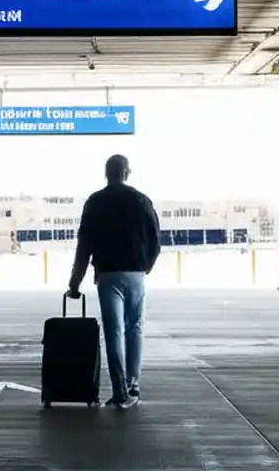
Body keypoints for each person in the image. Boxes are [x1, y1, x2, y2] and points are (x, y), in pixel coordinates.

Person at [67, 154, 161, 409]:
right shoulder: (141, 200)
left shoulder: (95, 202)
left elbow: (84, 244)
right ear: (127, 173)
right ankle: (133, 385)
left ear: (106, 174)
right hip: (134, 274)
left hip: (107, 274)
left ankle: (119, 390)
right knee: (135, 328)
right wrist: (146, 266)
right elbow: (155, 238)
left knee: (113, 332)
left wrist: (76, 280)